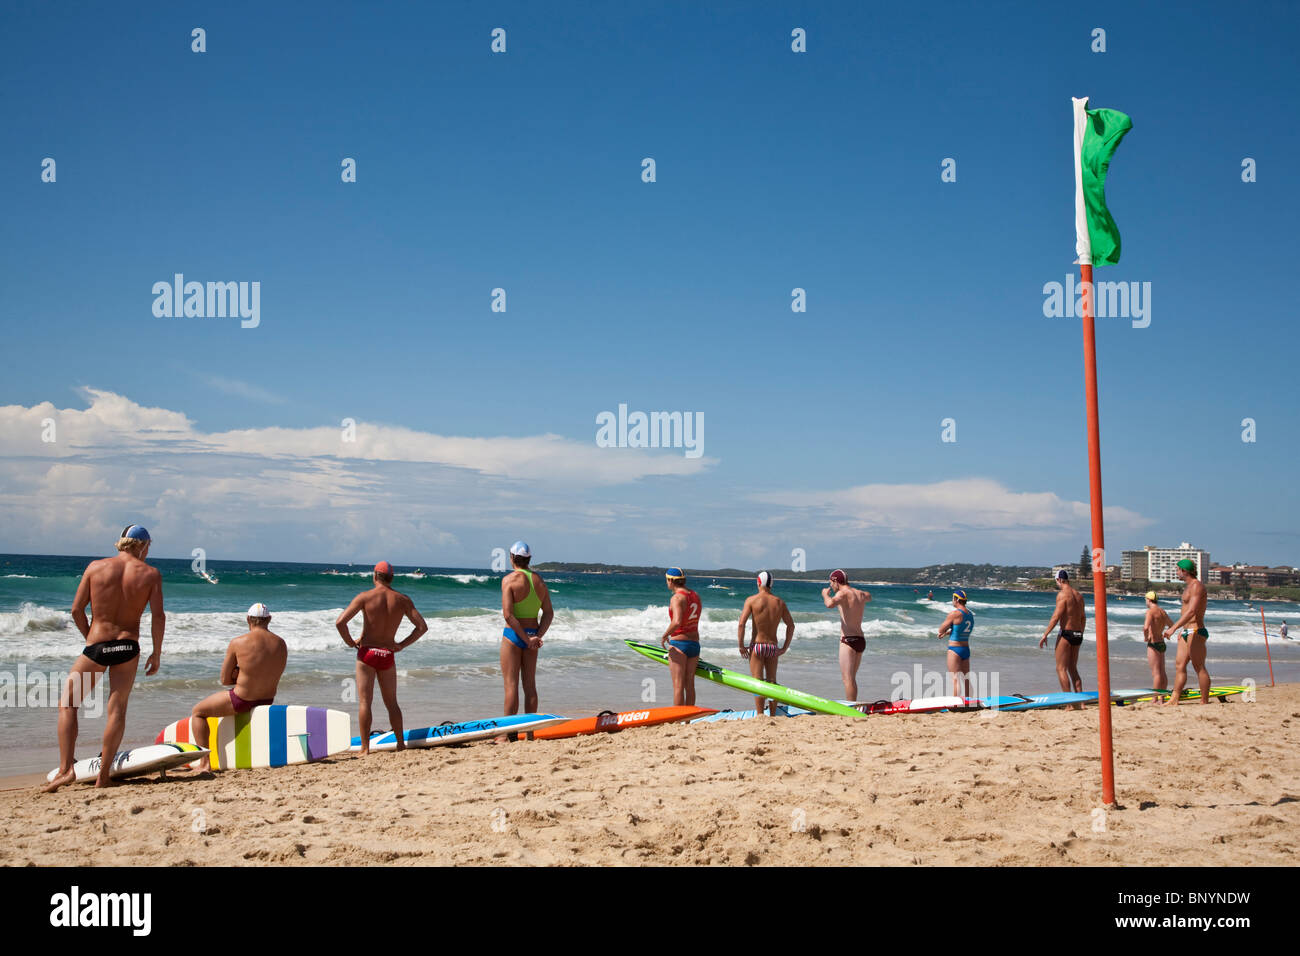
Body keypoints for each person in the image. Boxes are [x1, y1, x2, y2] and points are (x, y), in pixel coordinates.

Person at [44, 525, 163, 792]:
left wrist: (91, 639)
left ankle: (65, 770)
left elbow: (76, 610)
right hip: (128, 647)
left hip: (97, 646)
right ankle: (104, 776)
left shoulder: (96, 567)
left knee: (68, 704)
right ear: (142, 545)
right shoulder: (151, 574)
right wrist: (156, 652)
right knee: (117, 709)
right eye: (148, 546)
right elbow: (158, 616)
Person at [336, 561, 428, 753]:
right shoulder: (402, 599)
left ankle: (365, 748)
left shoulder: (365, 597)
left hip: (367, 654)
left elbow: (340, 622)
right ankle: (401, 744)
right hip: (387, 654)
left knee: (364, 702)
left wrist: (350, 642)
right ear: (391, 578)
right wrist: (401, 645)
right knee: (392, 703)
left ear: (375, 576)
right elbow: (422, 627)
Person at [187, 603, 287, 773]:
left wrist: (238, 675)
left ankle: (204, 764)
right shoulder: (281, 643)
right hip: (267, 700)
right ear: (269, 619)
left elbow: (225, 680)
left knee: (198, 712)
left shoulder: (238, 642)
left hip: (241, 700)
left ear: (248, 619)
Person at [498, 542, 553, 735]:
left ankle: (507, 734)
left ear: (511, 557)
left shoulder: (509, 580)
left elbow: (508, 615)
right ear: (529, 559)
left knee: (511, 685)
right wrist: (536, 637)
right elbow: (548, 613)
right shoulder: (539, 581)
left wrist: (524, 638)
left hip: (514, 636)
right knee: (530, 686)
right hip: (532, 635)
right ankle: (529, 732)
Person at [737, 571, 794, 715]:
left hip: (757, 646)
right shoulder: (779, 602)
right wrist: (785, 647)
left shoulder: (751, 600)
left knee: (758, 683)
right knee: (772, 682)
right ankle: (773, 714)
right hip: (772, 647)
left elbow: (741, 624)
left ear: (758, 582)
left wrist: (741, 646)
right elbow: (791, 625)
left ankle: (760, 714)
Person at [1162, 558, 1211, 705]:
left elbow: (1191, 612)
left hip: (1196, 630)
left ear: (1185, 571)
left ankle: (1204, 701)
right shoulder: (1188, 587)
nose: (1176, 572)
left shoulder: (1197, 586)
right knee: (1180, 665)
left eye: (1177, 570)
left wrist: (1172, 628)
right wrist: (1180, 630)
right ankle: (1174, 698)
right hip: (1186, 631)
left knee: (1198, 666)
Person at [822, 570, 871, 701]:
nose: (831, 586)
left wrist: (825, 595)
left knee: (847, 680)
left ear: (835, 581)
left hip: (848, 640)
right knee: (852, 679)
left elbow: (829, 604)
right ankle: (852, 704)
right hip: (860, 640)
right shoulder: (860, 593)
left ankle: (850, 708)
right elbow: (869, 596)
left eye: (831, 583)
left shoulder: (842, 593)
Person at [1039, 569, 1086, 701]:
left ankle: (1069, 703)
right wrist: (1080, 633)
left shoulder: (1062, 595)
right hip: (1077, 634)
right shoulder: (1079, 596)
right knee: (1073, 669)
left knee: (1061, 669)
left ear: (1059, 580)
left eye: (1056, 581)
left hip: (1066, 634)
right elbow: (1083, 618)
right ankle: (1081, 702)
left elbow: (1056, 617)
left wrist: (1045, 634)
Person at [659, 568, 701, 706]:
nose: (666, 583)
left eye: (666, 580)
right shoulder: (695, 595)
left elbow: (677, 621)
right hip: (694, 645)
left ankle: (678, 721)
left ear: (671, 580)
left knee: (678, 686)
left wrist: (665, 635)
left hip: (679, 645)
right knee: (689, 686)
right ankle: (688, 721)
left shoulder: (676, 598)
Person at [938, 588, 974, 697]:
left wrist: (943, 632)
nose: (952, 601)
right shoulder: (970, 614)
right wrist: (949, 633)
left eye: (953, 599)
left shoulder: (955, 613)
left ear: (957, 600)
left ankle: (956, 703)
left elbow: (940, 629)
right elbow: (961, 629)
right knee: (966, 678)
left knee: (955, 679)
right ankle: (969, 701)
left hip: (955, 650)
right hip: (965, 649)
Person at [1142, 591, 1171, 691]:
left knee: (1156, 673)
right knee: (1162, 672)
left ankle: (1155, 698)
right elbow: (1171, 625)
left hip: (1153, 643)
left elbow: (1145, 628)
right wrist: (1166, 633)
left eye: (1145, 599)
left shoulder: (1150, 612)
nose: (1145, 602)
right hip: (1162, 643)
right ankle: (1162, 697)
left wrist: (1146, 637)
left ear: (1149, 600)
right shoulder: (1162, 611)